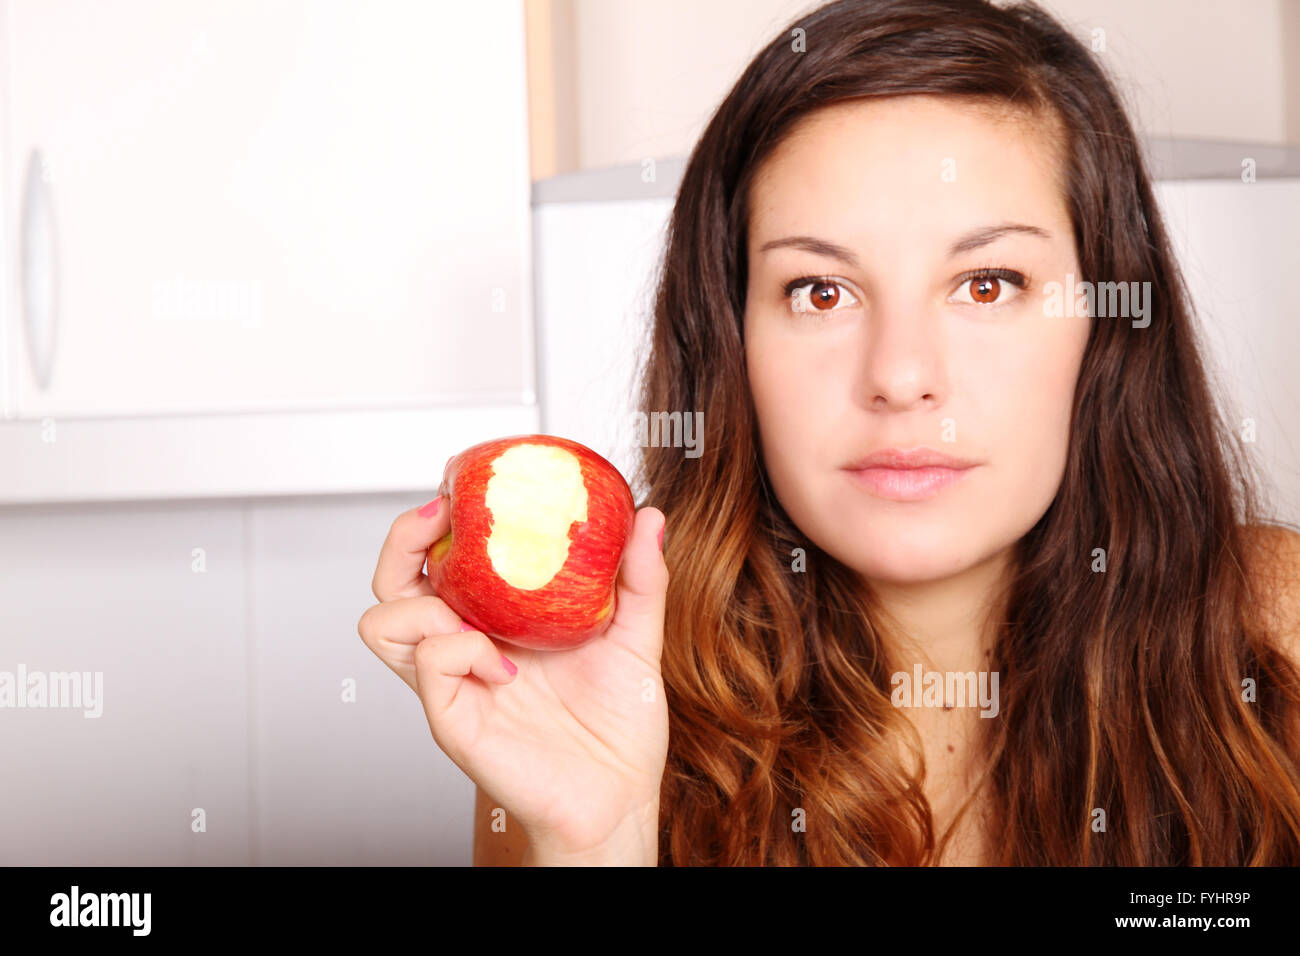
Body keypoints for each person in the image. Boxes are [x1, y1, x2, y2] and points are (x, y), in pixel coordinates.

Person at [358, 0, 1300, 865]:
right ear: (731, 342)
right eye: (820, 291)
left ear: (1105, 325)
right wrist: (594, 844)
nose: (899, 376)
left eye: (987, 284)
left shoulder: (1273, 632)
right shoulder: (591, 705)